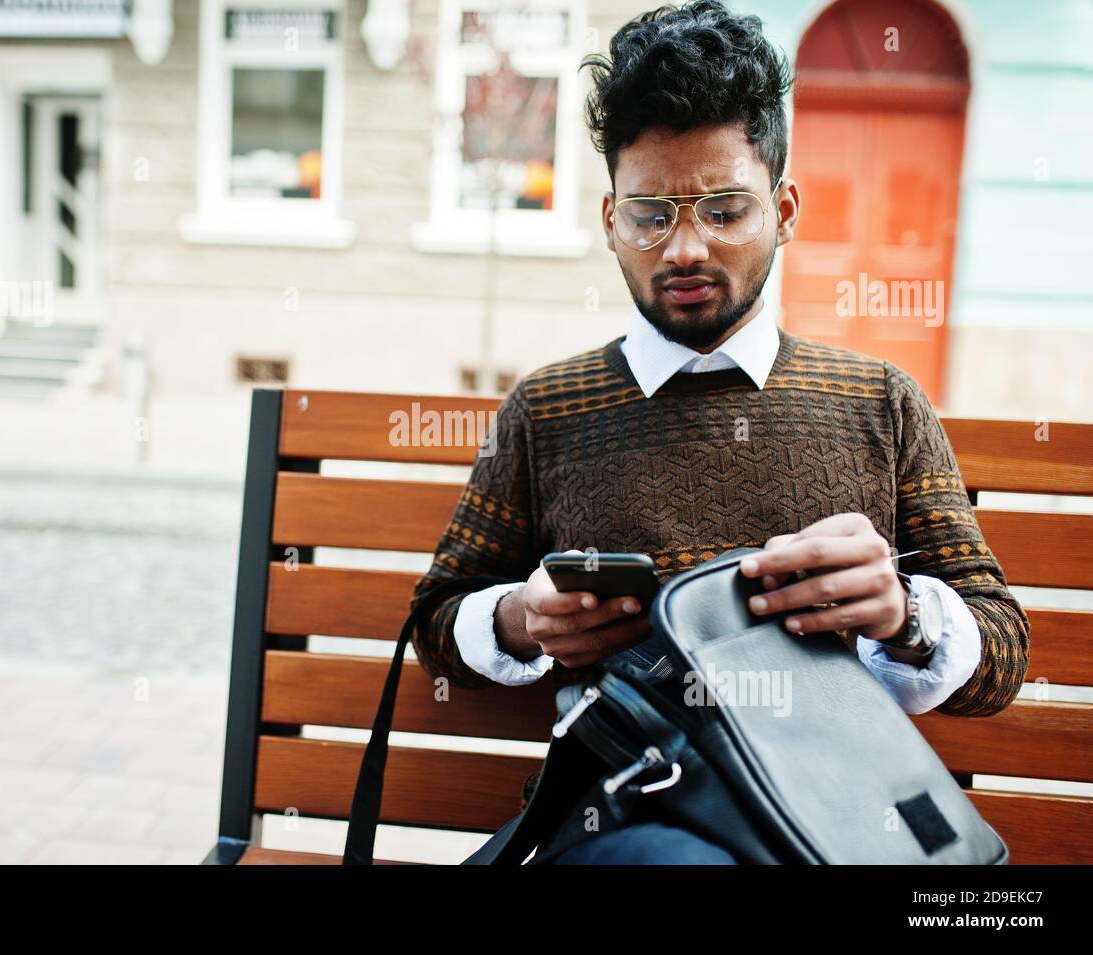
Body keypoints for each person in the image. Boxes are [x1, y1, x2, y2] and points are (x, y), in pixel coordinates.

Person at [408, 0, 1030, 865]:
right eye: (651, 213)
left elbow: (1000, 650)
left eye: (724, 209)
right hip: (622, 818)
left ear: (784, 210)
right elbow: (438, 617)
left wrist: (905, 615)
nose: (684, 249)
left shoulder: (879, 403)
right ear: (610, 221)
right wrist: (519, 620)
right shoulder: (548, 411)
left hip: (822, 824)